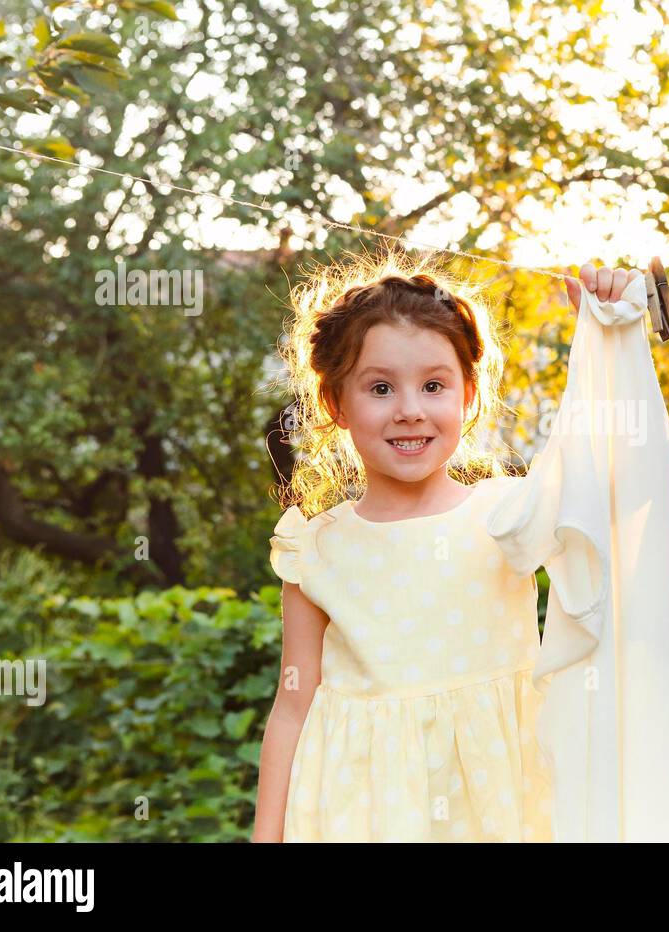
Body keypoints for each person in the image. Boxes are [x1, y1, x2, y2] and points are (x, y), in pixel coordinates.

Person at [251, 249, 641, 842]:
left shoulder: (510, 513)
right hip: (362, 813)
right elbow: (292, 705)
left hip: (498, 807)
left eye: (433, 385)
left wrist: (611, 336)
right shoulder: (316, 546)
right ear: (336, 405)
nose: (410, 411)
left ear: (467, 394)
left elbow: (619, 485)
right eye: (380, 388)